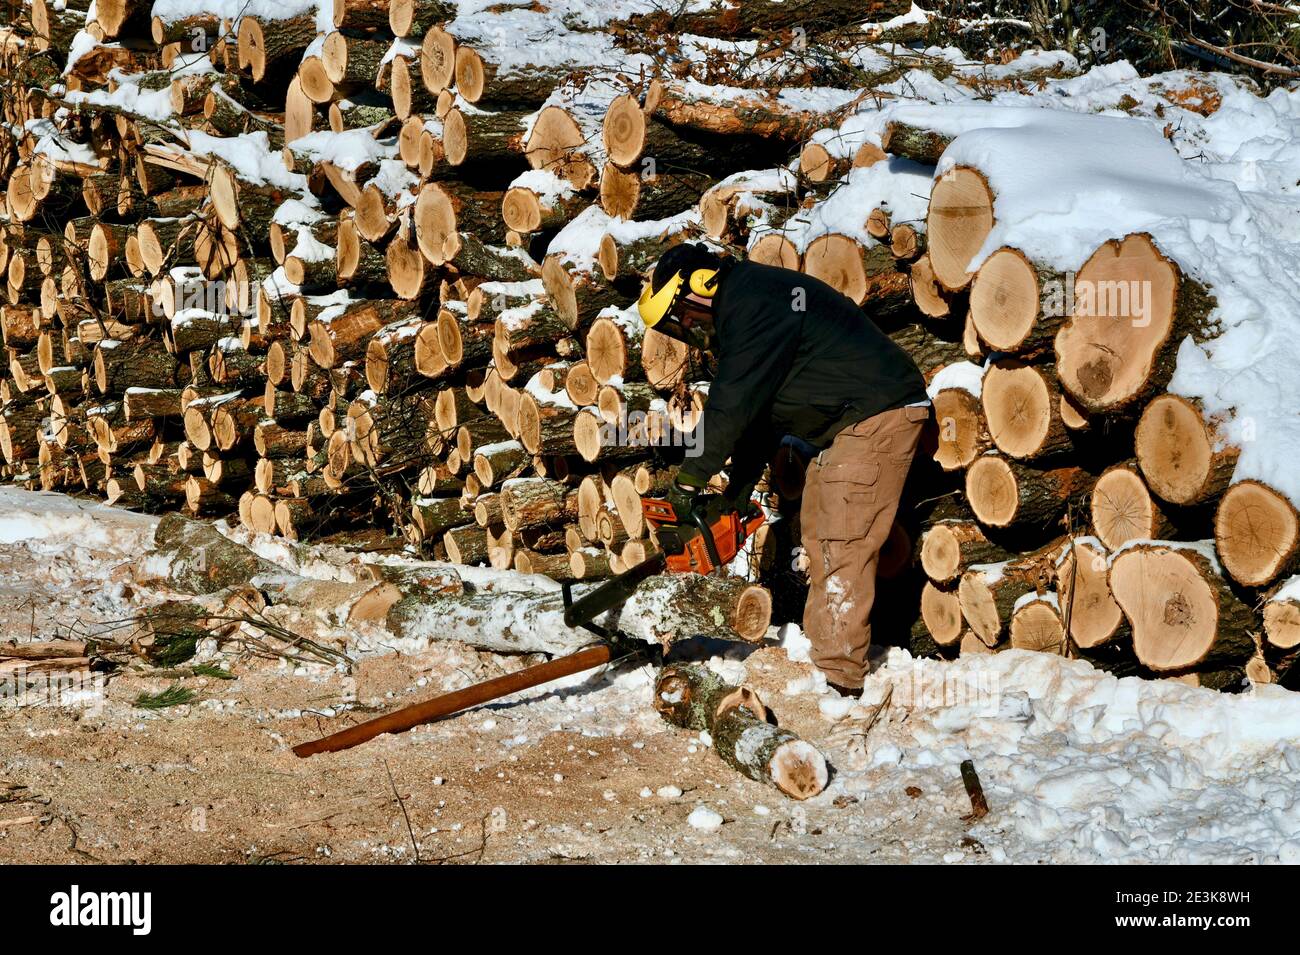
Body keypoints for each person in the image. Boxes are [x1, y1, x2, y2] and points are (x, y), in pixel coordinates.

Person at [637, 242, 930, 696]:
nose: (689, 327)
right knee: (819, 532)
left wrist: (688, 483)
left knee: (841, 540)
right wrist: (734, 494)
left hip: (876, 415)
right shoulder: (750, 306)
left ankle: (841, 681)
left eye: (683, 315)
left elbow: (730, 406)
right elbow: (757, 418)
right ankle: (827, 655)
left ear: (699, 285)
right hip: (848, 424)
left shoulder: (753, 303)